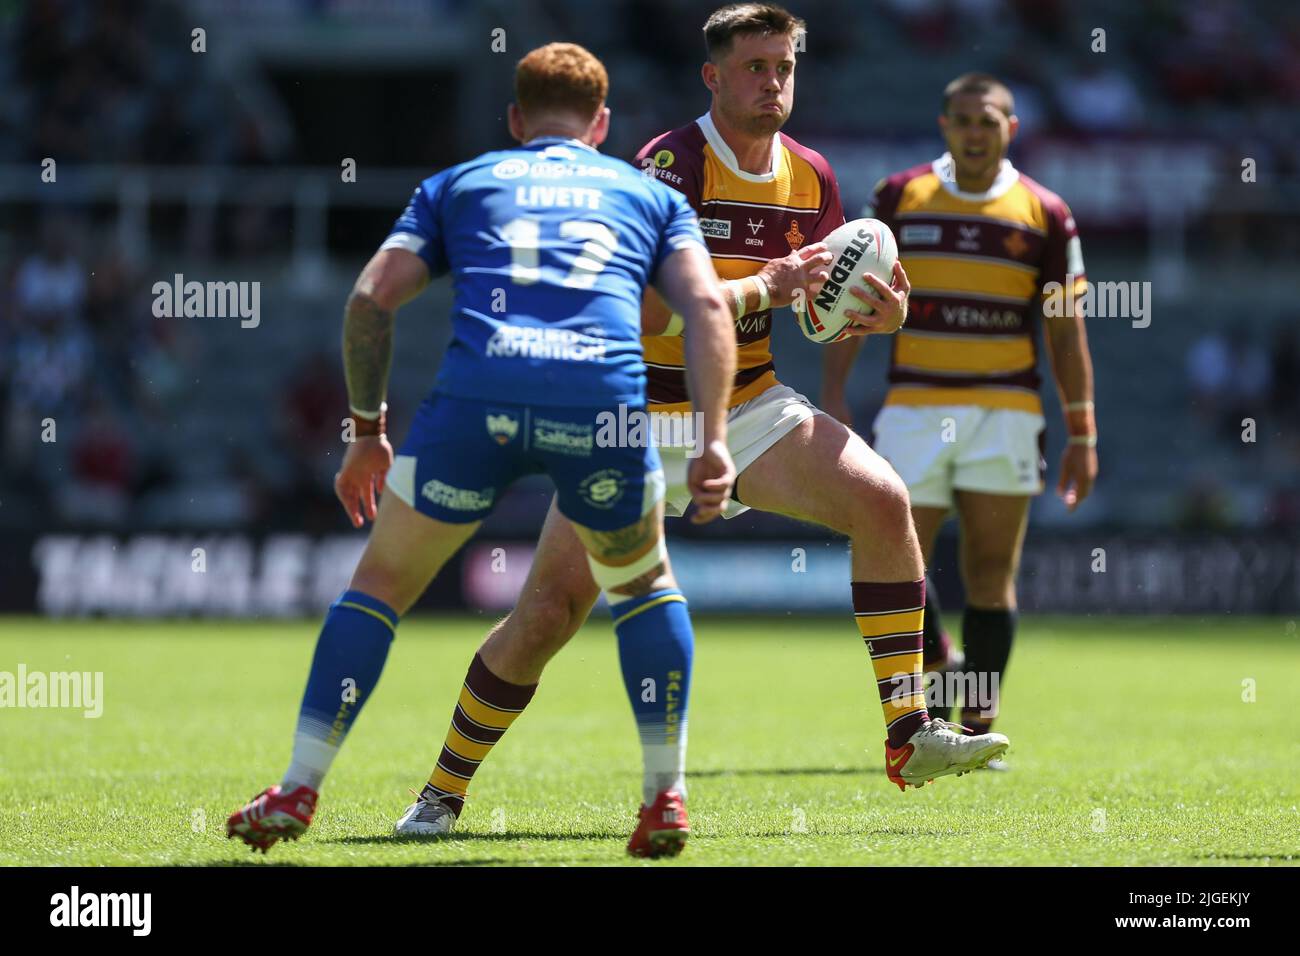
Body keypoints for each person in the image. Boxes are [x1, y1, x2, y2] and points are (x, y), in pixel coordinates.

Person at [397, 4, 1010, 843]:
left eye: (784, 66)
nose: (773, 82)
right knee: (548, 614)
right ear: (713, 78)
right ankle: (440, 792)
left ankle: (909, 734)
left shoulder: (811, 176)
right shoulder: (668, 167)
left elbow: (825, 302)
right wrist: (775, 280)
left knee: (882, 501)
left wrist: (882, 311)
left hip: (747, 401)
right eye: (755, 67)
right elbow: (649, 311)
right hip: (633, 410)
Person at [226, 41, 738, 858]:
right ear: (601, 124)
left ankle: (299, 785)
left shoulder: (460, 183)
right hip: (598, 403)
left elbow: (370, 298)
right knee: (643, 586)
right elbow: (709, 308)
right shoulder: (645, 194)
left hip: (478, 401)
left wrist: (365, 433)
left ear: (513, 120)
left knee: (381, 586)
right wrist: (713, 441)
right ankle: (664, 798)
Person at [821, 72, 1099, 753]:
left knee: (990, 572)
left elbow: (1066, 329)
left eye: (990, 121)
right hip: (915, 406)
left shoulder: (1046, 213)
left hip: (1006, 410)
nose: (977, 132)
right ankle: (939, 680)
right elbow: (853, 302)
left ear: (1011, 129)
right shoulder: (899, 196)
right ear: (944, 125)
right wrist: (834, 395)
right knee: (899, 554)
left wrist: (1082, 429)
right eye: (964, 120)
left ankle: (975, 727)